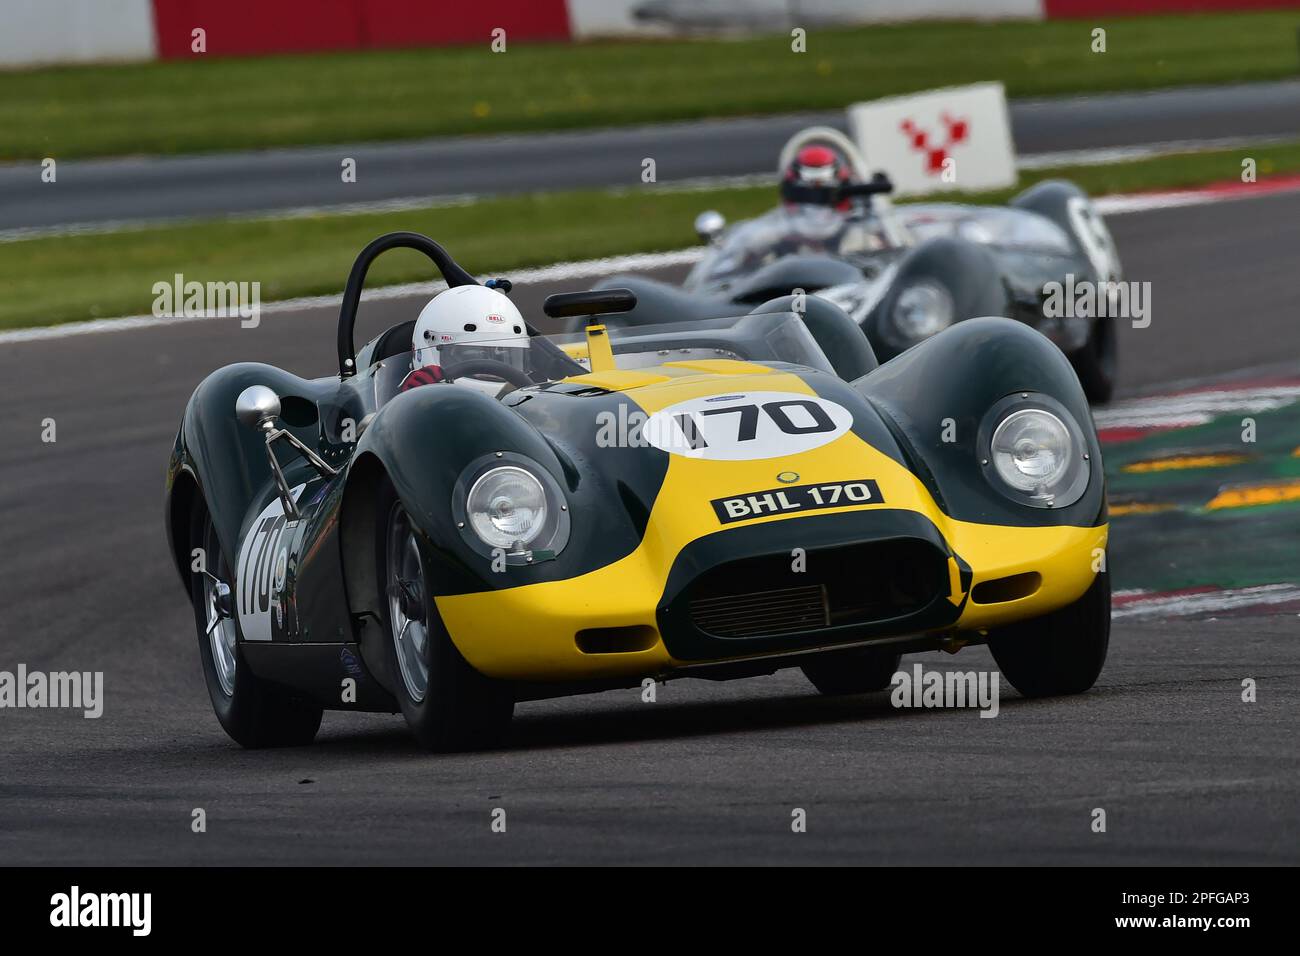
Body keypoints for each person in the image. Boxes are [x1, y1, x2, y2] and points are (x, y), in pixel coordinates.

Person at [400, 284, 530, 393]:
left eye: (503, 357)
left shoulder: (533, 403)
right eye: (473, 354)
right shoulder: (405, 413)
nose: (492, 369)